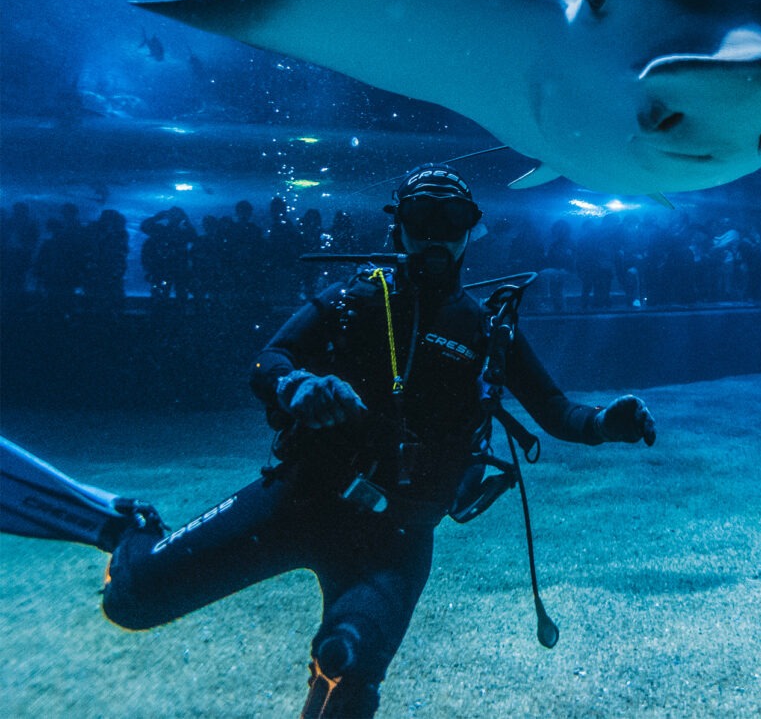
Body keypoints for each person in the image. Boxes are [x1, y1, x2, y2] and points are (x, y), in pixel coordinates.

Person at [1, 163, 656, 719]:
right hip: (298, 500)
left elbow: (557, 411)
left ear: (469, 232)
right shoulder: (353, 301)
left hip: (395, 539)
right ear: (397, 224)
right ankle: (126, 526)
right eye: (421, 218)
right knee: (131, 601)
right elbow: (269, 358)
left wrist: (608, 422)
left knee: (351, 662)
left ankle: (333, 674)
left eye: (450, 221)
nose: (434, 235)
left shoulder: (486, 331)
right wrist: (297, 386)